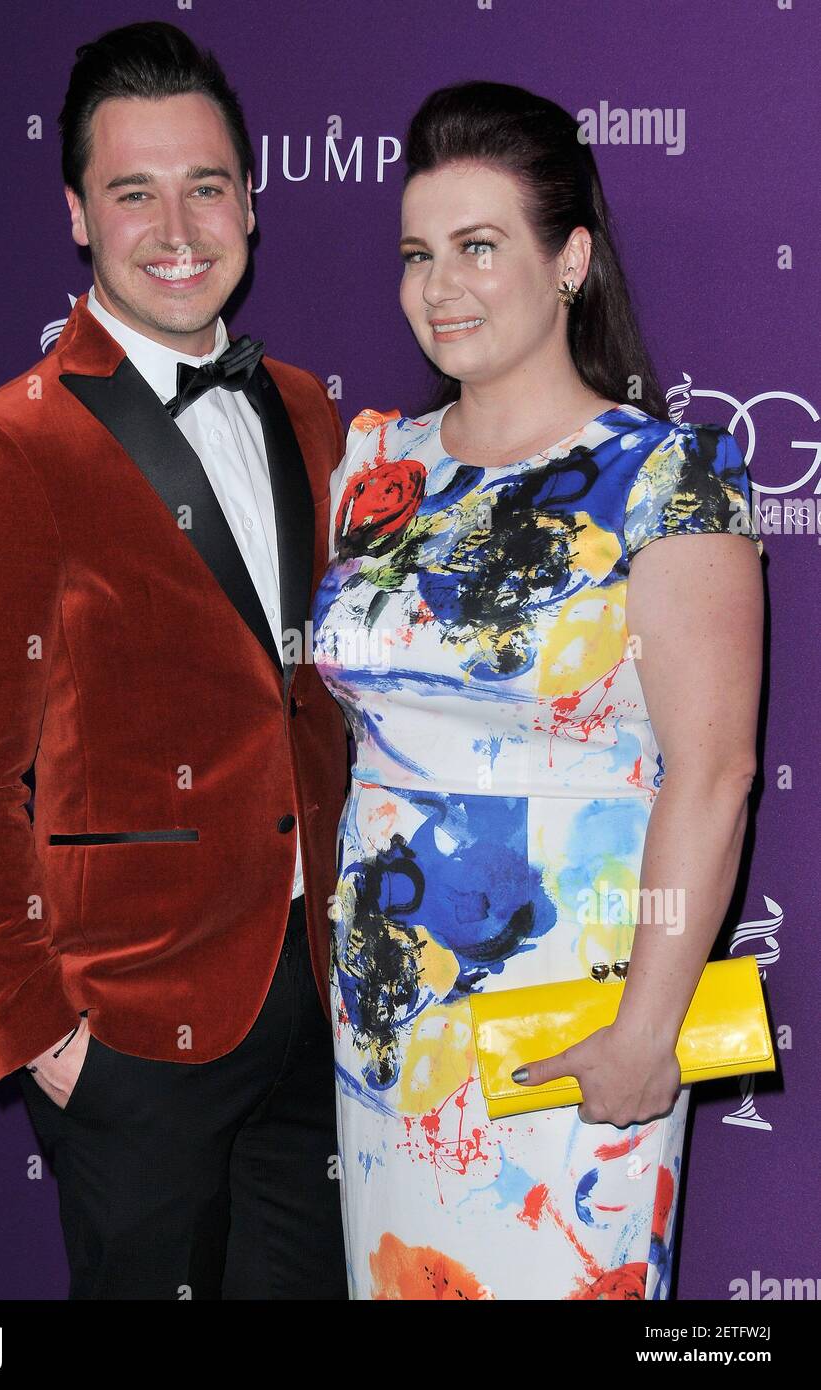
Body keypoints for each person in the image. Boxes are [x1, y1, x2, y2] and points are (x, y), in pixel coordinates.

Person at [0, 20, 348, 1300]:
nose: (177, 226)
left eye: (206, 186)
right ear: (75, 215)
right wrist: (38, 1032)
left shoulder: (311, 408)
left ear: (253, 207)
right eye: (133, 191)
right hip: (130, 1021)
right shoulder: (1, 448)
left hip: (316, 1003)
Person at [311, 81, 764, 1300]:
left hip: (575, 1015)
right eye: (417, 253)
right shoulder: (376, 469)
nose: (437, 286)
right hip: (387, 1015)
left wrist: (645, 1036)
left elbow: (713, 774)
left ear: (568, 262)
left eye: (477, 247)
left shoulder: (668, 478)